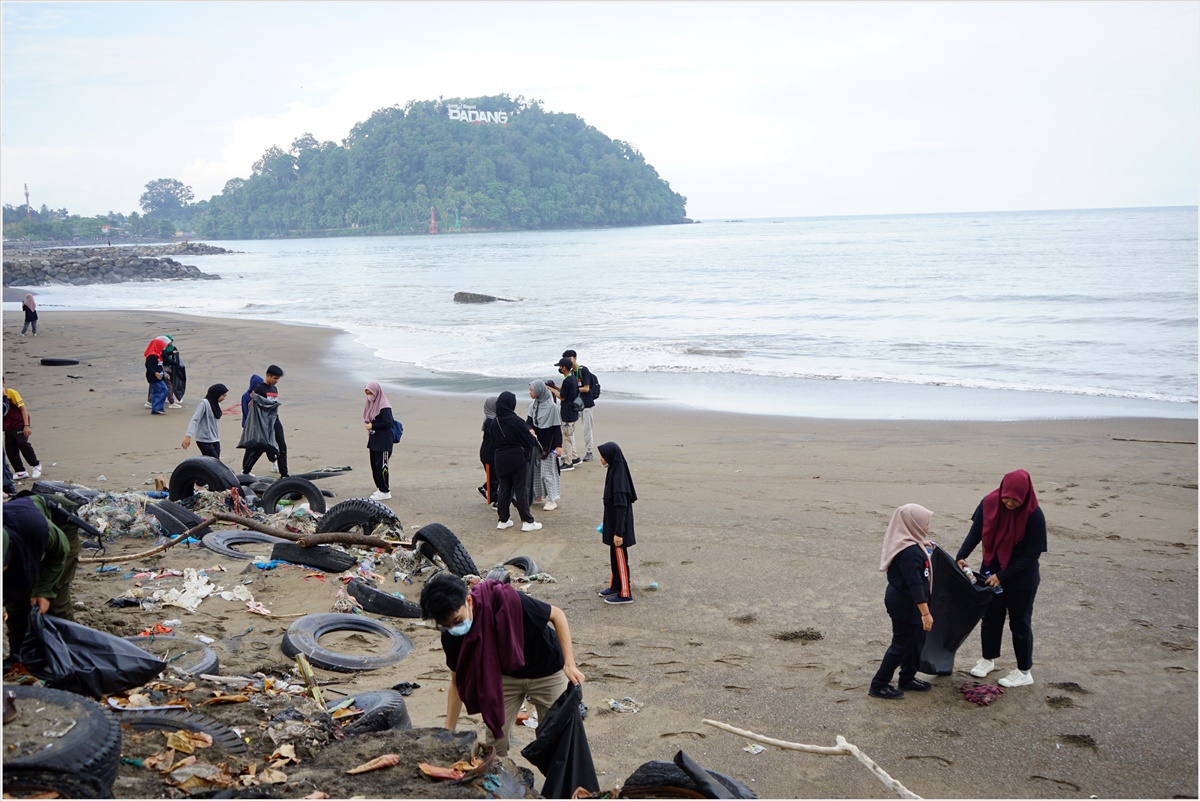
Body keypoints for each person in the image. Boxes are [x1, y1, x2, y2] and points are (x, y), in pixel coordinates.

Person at [419, 572, 585, 757]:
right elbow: (457, 682)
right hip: (505, 676)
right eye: (445, 625)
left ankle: (559, 785)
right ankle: (498, 781)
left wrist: (570, 664)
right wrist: (448, 732)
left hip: (546, 670)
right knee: (494, 744)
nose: (453, 628)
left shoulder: (507, 601)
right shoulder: (452, 636)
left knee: (556, 738)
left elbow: (557, 615)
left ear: (469, 601)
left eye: (456, 620)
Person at [956, 469, 1047, 688]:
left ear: (1024, 496)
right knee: (990, 619)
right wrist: (962, 555)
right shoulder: (989, 503)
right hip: (991, 571)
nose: (1009, 503)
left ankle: (1024, 671)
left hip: (1022, 579)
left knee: (1020, 623)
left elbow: (1032, 554)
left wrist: (1002, 576)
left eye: (1015, 500)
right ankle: (988, 659)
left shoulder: (1034, 514)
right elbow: (976, 532)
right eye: (1006, 498)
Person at [869, 504, 936, 700]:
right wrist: (925, 613)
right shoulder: (910, 553)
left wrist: (923, 544)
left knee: (917, 641)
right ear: (912, 524)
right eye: (925, 524)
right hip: (906, 604)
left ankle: (907, 677)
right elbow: (914, 584)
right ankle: (879, 684)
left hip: (911, 602)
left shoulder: (910, 544)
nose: (928, 527)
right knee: (902, 644)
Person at [3, 495, 77, 654]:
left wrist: (44, 590)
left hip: (61, 525)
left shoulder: (34, 528)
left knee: (54, 602)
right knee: (16, 601)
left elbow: (61, 550)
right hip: (23, 536)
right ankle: (20, 657)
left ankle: (71, 657)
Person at [488, 391, 542, 532]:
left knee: (504, 489)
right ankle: (527, 521)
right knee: (520, 489)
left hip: (500, 458)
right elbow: (530, 441)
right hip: (516, 458)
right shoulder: (516, 421)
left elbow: (493, 441)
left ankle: (503, 520)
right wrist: (533, 437)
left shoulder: (495, 422)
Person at [597, 442, 637, 605]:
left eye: (602, 456)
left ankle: (625, 593)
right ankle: (615, 585)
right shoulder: (614, 471)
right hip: (613, 524)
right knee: (614, 556)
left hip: (619, 527)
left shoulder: (619, 479)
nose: (600, 459)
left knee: (620, 556)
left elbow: (622, 507)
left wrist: (618, 533)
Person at [240, 366, 288, 477]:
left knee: (282, 447)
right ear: (268, 375)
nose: (276, 381)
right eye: (275, 378)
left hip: (275, 421)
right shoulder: (259, 388)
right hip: (263, 423)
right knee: (260, 448)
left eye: (278, 379)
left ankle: (284, 474)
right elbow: (251, 406)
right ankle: (246, 471)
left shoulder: (274, 389)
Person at [527, 380, 563, 512]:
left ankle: (552, 500)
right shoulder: (533, 406)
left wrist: (558, 446)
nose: (530, 392)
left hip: (549, 446)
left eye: (532, 390)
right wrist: (530, 430)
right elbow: (529, 422)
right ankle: (538, 495)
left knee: (548, 473)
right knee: (536, 471)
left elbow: (556, 428)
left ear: (539, 391)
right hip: (536, 445)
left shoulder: (552, 407)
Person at [363, 381, 396, 501]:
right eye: (367, 393)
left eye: (371, 393)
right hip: (374, 440)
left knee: (382, 466)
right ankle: (380, 488)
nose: (369, 396)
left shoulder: (384, 406)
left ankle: (385, 491)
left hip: (384, 442)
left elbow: (388, 422)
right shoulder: (372, 404)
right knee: (374, 465)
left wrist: (373, 425)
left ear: (376, 392)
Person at [3, 380, 42, 480]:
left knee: (22, 442)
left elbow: (23, 409)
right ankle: (20, 471)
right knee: (10, 448)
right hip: (8, 426)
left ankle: (36, 465)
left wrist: (26, 425)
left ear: (3, 382)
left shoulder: (11, 393)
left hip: (19, 422)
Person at [563, 350, 597, 462]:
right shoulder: (571, 372)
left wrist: (572, 389)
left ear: (575, 358)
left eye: (569, 358)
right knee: (570, 428)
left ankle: (589, 452)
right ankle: (572, 453)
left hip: (586, 404)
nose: (568, 361)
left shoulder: (583, 370)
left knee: (587, 428)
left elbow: (587, 388)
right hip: (576, 404)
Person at [240, 374, 277, 472]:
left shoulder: (261, 396)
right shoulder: (246, 396)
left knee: (268, 445)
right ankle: (245, 469)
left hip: (262, 425)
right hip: (251, 426)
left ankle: (274, 462)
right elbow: (246, 412)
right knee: (250, 448)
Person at [549, 358, 580, 470]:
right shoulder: (572, 378)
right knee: (570, 435)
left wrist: (551, 390)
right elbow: (565, 391)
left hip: (567, 413)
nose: (559, 368)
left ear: (565, 368)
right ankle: (575, 457)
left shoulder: (567, 380)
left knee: (567, 437)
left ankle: (568, 462)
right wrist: (555, 387)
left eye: (560, 367)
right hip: (573, 412)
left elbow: (562, 397)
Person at [182, 384, 228, 458]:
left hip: (215, 439)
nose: (224, 398)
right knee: (214, 463)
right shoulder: (204, 403)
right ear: (217, 394)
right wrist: (188, 436)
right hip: (204, 440)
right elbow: (195, 420)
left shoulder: (215, 405)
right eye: (223, 395)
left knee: (213, 463)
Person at [478, 396, 499, 507]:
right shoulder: (490, 422)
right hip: (489, 454)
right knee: (494, 478)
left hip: (492, 453)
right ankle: (495, 500)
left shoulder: (493, 419)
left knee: (495, 476)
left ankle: (484, 488)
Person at [144, 336, 171, 415]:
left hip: (159, 376)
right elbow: (148, 365)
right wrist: (155, 373)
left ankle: (156, 409)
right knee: (163, 389)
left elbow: (160, 366)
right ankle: (157, 408)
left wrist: (165, 374)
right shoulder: (152, 355)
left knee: (156, 392)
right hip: (153, 377)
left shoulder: (158, 354)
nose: (163, 348)